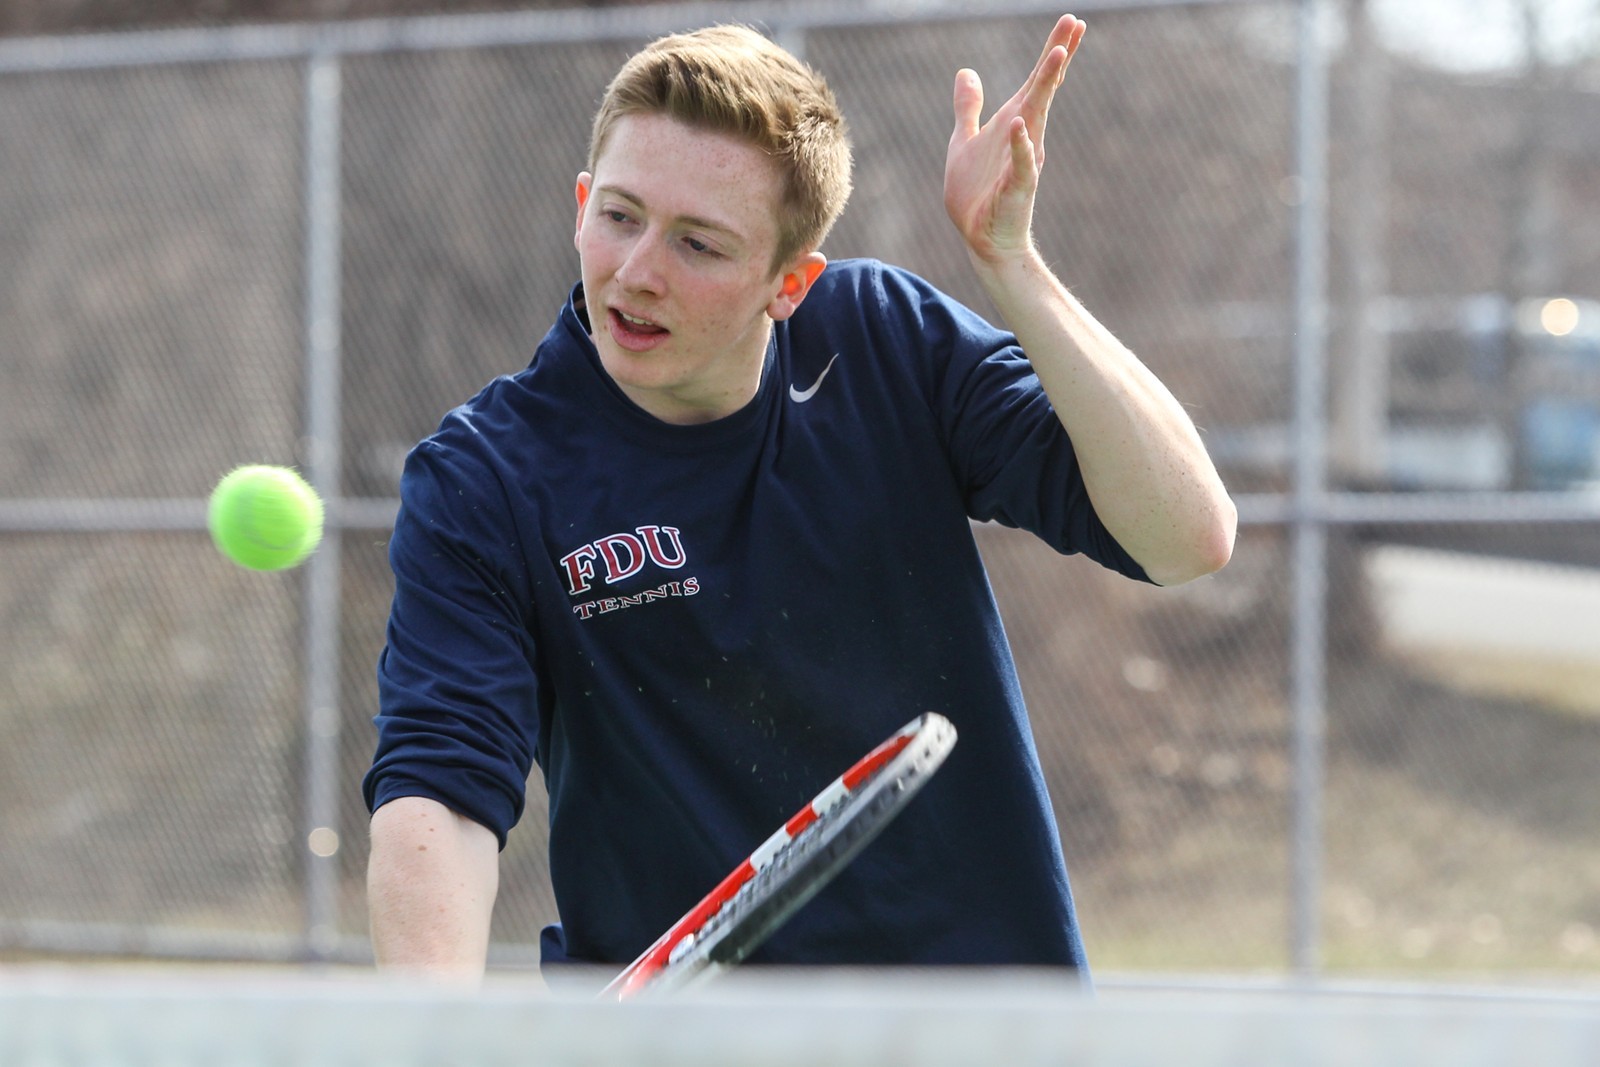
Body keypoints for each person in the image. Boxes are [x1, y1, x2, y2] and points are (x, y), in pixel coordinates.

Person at [363, 15, 1235, 984]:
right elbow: (439, 795)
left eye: (697, 244)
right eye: (618, 216)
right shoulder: (484, 475)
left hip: (980, 1022)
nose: (638, 270)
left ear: (790, 282)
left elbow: (1183, 535)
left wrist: (1011, 264)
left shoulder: (885, 344)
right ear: (580, 205)